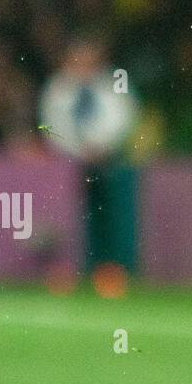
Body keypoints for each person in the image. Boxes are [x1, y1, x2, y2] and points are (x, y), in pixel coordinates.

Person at [38, 37, 139, 296]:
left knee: (107, 217)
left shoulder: (112, 84)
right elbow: (51, 124)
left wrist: (100, 146)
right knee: (67, 216)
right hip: (69, 163)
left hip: (107, 162)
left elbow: (124, 119)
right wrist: (76, 149)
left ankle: (107, 271)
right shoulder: (59, 88)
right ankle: (66, 270)